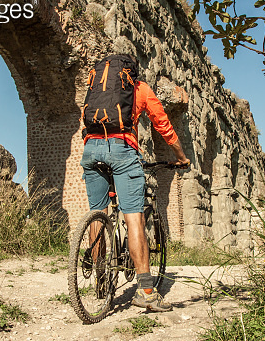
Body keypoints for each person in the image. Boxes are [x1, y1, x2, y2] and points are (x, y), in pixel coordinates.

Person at [80, 54, 190, 312]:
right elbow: (163, 125)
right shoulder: (139, 89)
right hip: (122, 150)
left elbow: (86, 120)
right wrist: (181, 157)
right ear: (132, 73)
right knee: (134, 217)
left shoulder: (96, 90)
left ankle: (101, 280)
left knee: (97, 213)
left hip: (90, 150)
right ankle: (147, 291)